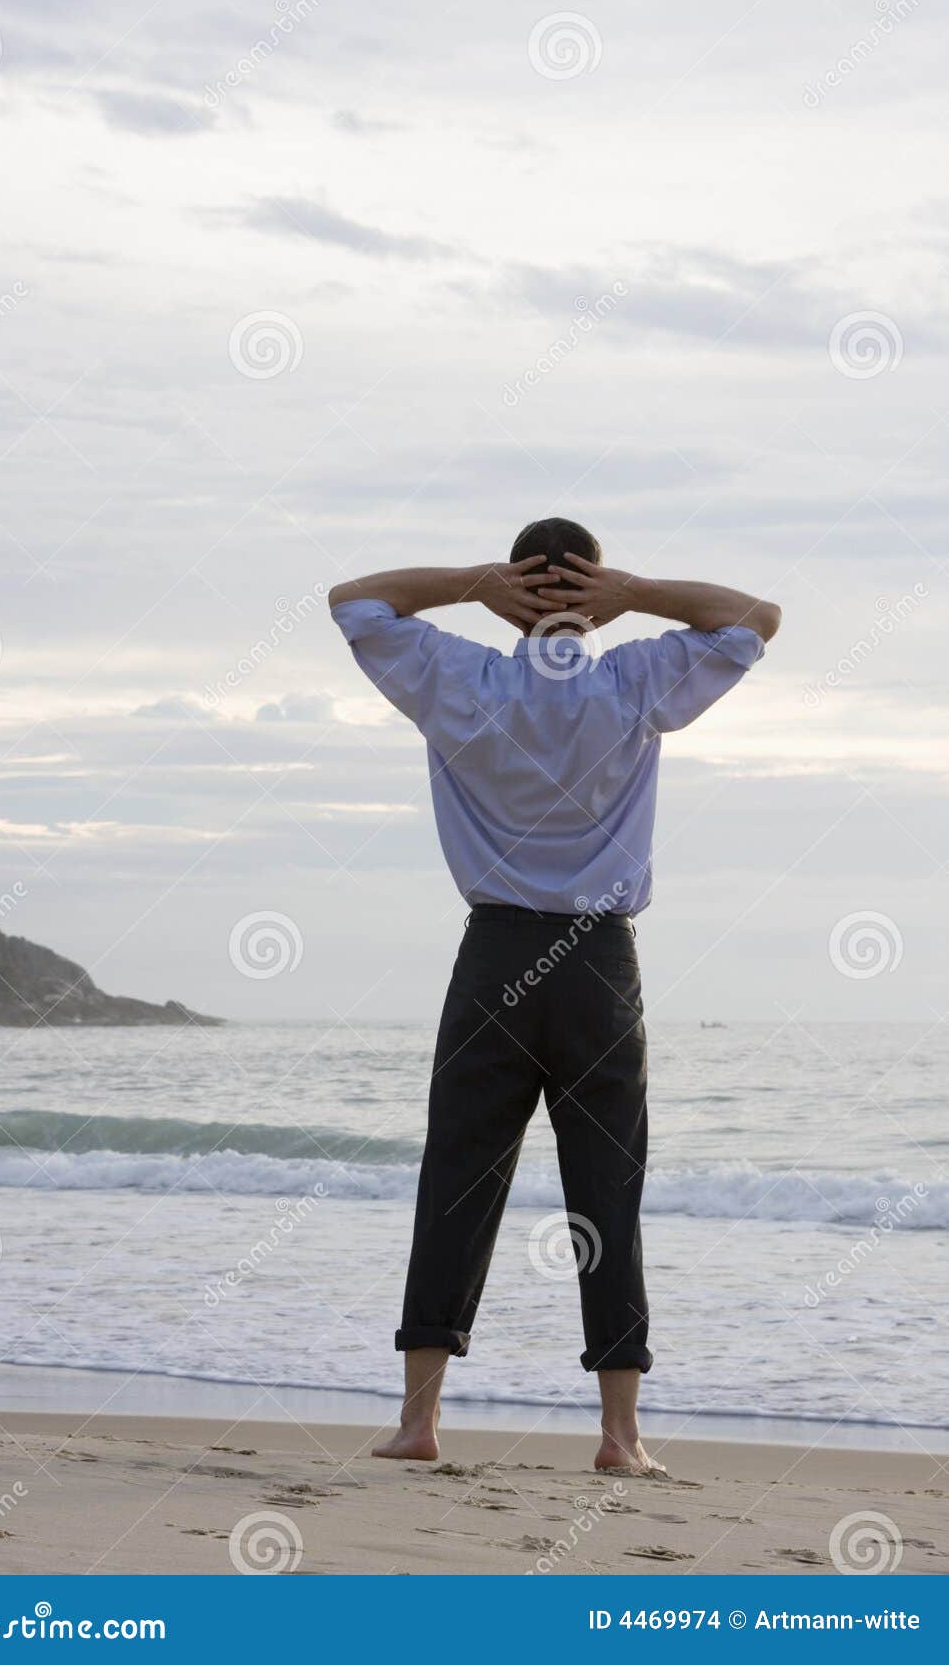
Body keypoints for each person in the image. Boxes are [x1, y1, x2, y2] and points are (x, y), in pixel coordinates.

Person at [328, 517, 781, 1471]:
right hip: (596, 966)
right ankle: (620, 1438)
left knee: (456, 1182)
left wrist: (466, 584)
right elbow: (755, 618)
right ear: (593, 587)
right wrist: (638, 595)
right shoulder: (633, 679)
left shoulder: (458, 677)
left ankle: (417, 1425)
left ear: (513, 583)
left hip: (493, 958)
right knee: (605, 1197)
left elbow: (352, 599)